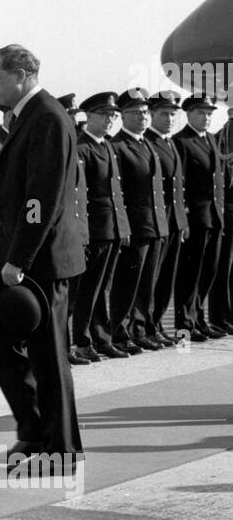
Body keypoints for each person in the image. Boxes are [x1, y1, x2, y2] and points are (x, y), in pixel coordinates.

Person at [0, 45, 85, 462]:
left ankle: (61, 450)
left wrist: (18, 260)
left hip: (40, 262)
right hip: (28, 257)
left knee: (48, 357)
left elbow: (40, 200)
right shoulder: (29, 117)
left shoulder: (46, 118)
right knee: (0, 342)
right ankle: (34, 431)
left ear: (22, 75)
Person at [109, 88, 168, 352]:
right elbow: (116, 192)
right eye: (135, 113)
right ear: (122, 116)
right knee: (127, 284)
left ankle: (141, 329)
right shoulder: (118, 147)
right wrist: (124, 226)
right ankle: (119, 333)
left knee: (147, 284)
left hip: (154, 224)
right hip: (134, 226)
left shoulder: (147, 145)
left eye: (145, 112)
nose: (142, 117)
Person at [73, 93, 131, 359]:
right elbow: (80, 195)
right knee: (88, 290)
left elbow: (117, 191)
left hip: (111, 228)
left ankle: (101, 338)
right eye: (104, 115)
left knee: (101, 287)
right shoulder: (82, 148)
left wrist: (123, 227)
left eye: (113, 115)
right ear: (90, 116)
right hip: (94, 230)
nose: (110, 120)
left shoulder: (107, 146)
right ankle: (82, 341)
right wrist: (83, 234)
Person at [173, 94, 226, 340]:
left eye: (209, 114)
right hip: (194, 218)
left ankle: (198, 320)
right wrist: (183, 220)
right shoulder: (181, 141)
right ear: (189, 114)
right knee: (189, 275)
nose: (206, 118)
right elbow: (178, 185)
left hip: (213, 217)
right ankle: (184, 328)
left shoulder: (210, 140)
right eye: (201, 113)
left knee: (208, 271)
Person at [145, 91, 188, 345]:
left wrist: (181, 222)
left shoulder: (170, 142)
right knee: (152, 278)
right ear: (151, 115)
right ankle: (148, 327)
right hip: (156, 220)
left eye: (173, 114)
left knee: (166, 279)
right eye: (164, 114)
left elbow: (178, 188)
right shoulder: (149, 141)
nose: (170, 118)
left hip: (173, 221)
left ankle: (157, 324)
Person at [57, 94, 92, 366]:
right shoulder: (56, 149)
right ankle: (58, 350)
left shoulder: (74, 149)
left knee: (71, 299)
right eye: (69, 115)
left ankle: (66, 348)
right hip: (59, 238)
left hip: (76, 235)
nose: (74, 120)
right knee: (59, 301)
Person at [207, 107, 233, 333]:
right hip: (225, 208)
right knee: (223, 265)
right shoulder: (218, 139)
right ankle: (220, 316)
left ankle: (225, 316)